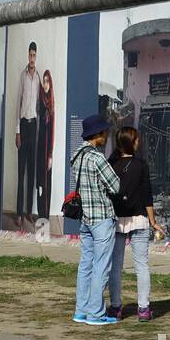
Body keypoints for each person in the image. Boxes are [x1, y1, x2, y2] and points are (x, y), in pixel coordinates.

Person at [107, 126, 163, 322]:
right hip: (139, 219)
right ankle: (143, 309)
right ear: (131, 142)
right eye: (136, 139)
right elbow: (147, 195)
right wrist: (153, 221)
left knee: (116, 266)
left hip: (116, 221)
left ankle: (115, 308)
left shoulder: (111, 164)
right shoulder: (141, 165)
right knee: (142, 265)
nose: (139, 142)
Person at [70, 114, 122, 326]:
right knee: (102, 266)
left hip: (86, 218)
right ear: (97, 135)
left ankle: (81, 311)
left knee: (86, 266)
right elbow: (116, 186)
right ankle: (96, 314)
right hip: (102, 217)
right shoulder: (98, 158)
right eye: (105, 132)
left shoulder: (77, 156)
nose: (107, 135)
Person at [15, 41, 39, 224]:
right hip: (23, 126)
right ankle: (18, 213)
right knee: (21, 172)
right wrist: (17, 131)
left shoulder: (38, 77)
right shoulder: (23, 77)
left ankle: (30, 211)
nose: (32, 58)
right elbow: (17, 105)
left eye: (34, 55)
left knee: (31, 172)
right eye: (30, 55)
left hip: (34, 127)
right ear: (27, 55)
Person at [36, 69, 55, 223]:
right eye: (44, 81)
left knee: (47, 180)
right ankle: (40, 213)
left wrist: (50, 155)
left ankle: (46, 215)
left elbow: (53, 131)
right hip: (39, 146)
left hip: (47, 148)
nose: (45, 84)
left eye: (47, 81)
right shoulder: (40, 101)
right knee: (40, 181)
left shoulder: (52, 104)